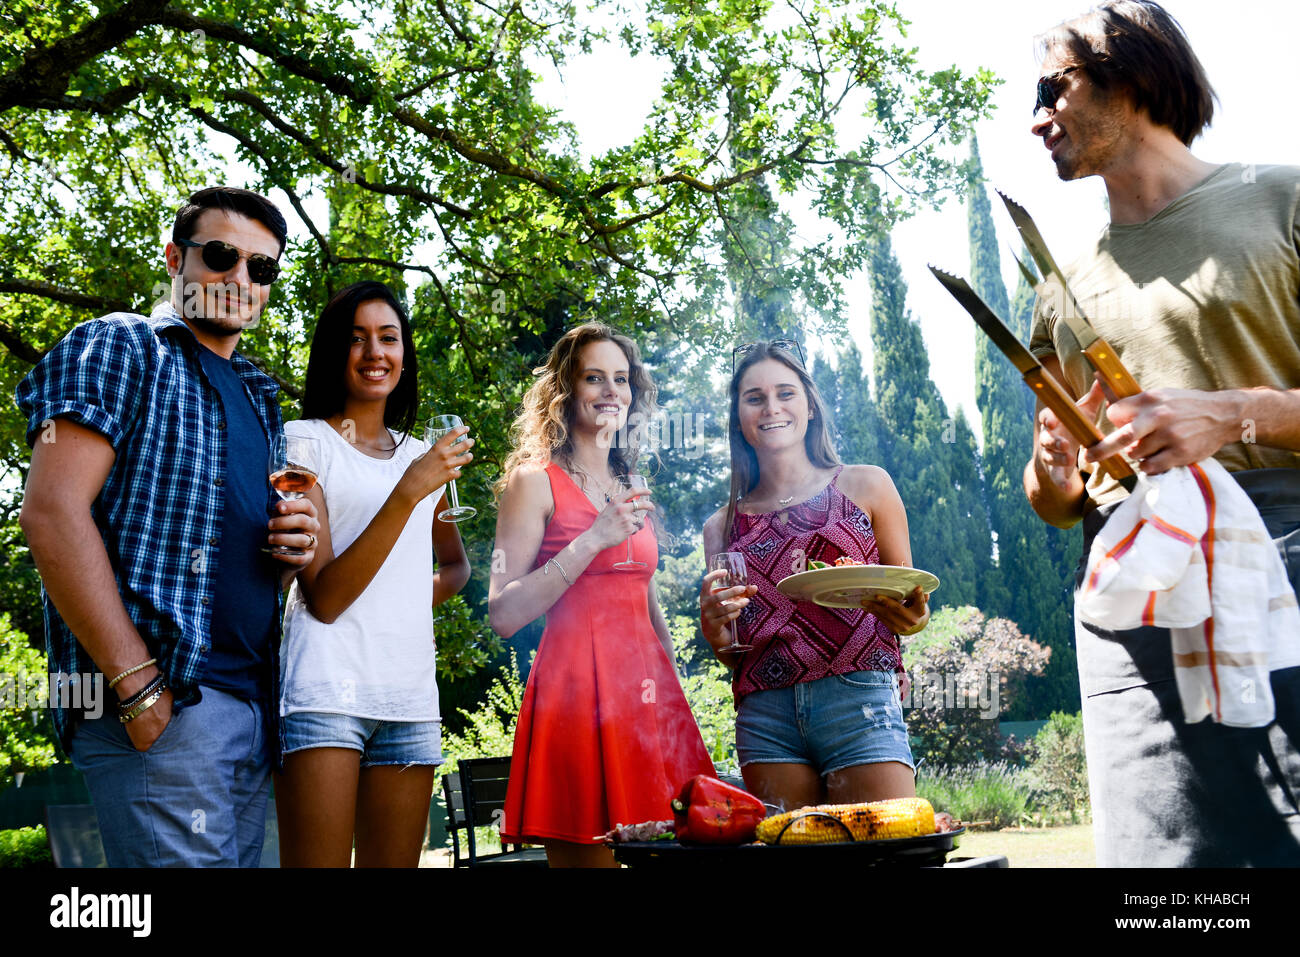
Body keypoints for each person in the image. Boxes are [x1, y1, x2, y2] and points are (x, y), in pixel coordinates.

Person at [1023, 1, 1300, 865]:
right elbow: (1053, 501)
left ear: (1131, 71)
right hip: (1126, 583)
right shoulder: (1059, 283)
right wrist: (1054, 474)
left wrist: (1233, 412)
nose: (1036, 119)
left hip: (1283, 551)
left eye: (1052, 86)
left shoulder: (1281, 199)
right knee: (1160, 870)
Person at [16, 186, 320, 867]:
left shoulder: (258, 395)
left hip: (252, 712)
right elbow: (51, 511)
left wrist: (292, 542)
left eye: (261, 267)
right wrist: (139, 687)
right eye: (221, 255)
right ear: (174, 257)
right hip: (165, 707)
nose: (240, 278)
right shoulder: (120, 345)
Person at [488, 322, 715, 867]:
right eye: (595, 378)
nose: (612, 390)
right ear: (566, 391)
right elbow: (503, 612)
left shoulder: (631, 482)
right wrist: (592, 540)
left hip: (648, 700)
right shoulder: (532, 481)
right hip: (576, 698)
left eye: (622, 378)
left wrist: (675, 695)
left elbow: (646, 598)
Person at [271, 281, 472, 867]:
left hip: (409, 701)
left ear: (404, 355)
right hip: (325, 696)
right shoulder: (303, 444)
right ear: (335, 351)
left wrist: (401, 606)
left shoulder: (422, 454)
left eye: (388, 338)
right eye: (356, 339)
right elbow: (327, 596)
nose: (374, 353)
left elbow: (456, 567)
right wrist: (409, 491)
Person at [698, 340, 929, 814]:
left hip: (860, 695)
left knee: (886, 850)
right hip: (766, 713)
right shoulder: (719, 527)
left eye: (786, 392)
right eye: (754, 397)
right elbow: (732, 651)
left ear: (809, 405)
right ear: (738, 416)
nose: (772, 407)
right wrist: (715, 631)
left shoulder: (867, 485)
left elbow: (908, 603)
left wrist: (914, 615)